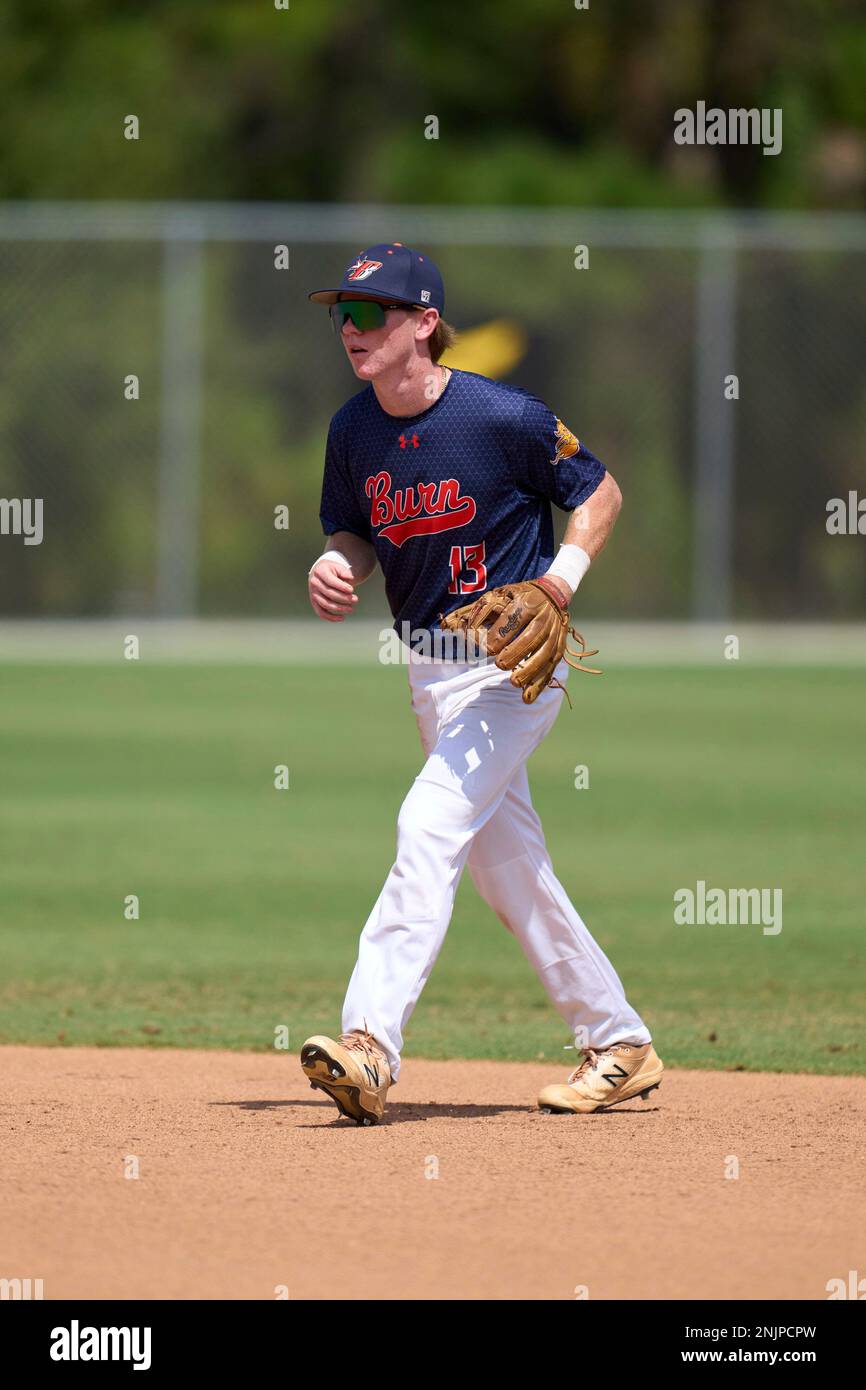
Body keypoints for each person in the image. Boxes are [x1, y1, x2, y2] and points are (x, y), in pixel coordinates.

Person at [300, 242, 663, 1124]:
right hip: (428, 672)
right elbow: (352, 531)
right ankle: (620, 1043)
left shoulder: (503, 416)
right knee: (511, 872)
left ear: (423, 323)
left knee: (426, 823)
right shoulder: (353, 430)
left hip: (508, 671)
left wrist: (557, 584)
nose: (351, 330)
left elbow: (602, 492)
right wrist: (334, 562)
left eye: (369, 313)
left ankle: (370, 1047)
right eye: (343, 315)